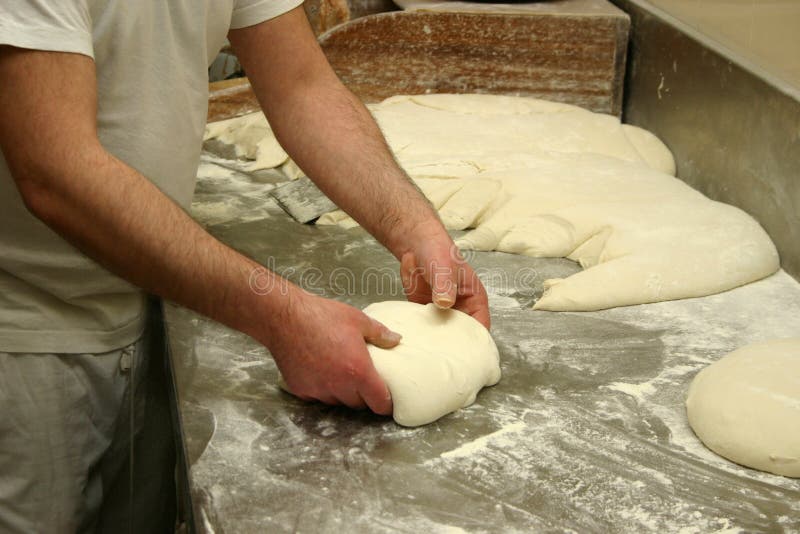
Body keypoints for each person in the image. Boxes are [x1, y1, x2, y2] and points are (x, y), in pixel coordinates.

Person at [0, 1, 490, 531]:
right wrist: (283, 317)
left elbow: (301, 87)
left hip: (150, 305)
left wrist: (417, 230)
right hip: (23, 339)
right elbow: (55, 170)